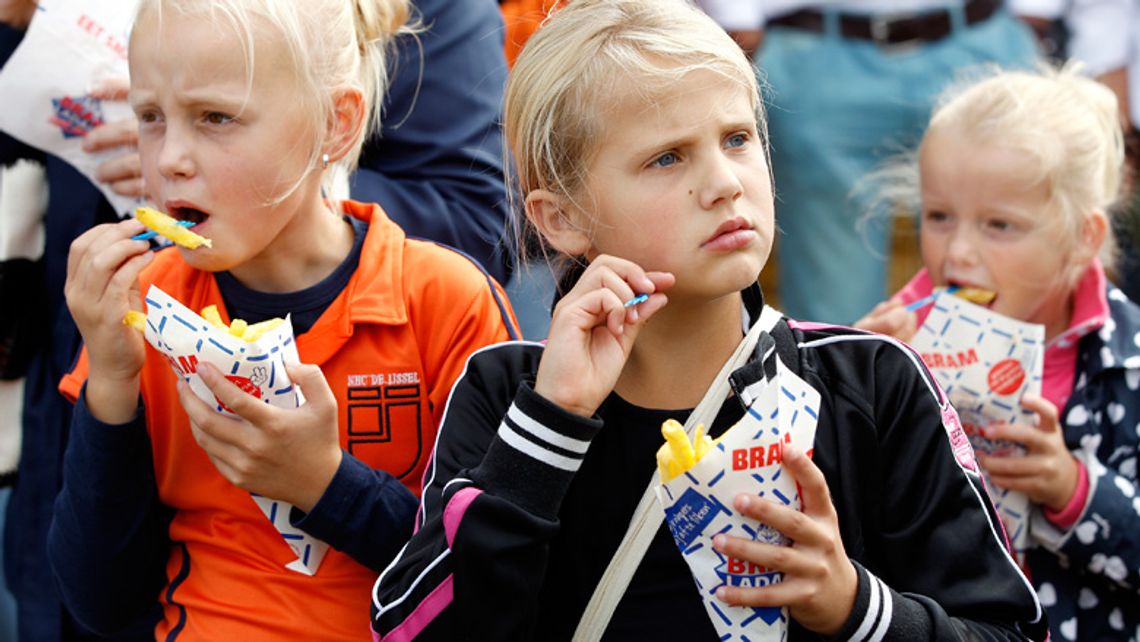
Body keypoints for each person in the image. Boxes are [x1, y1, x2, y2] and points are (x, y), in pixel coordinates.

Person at [370, 1, 1048, 640]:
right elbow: (413, 628)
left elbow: (1011, 628)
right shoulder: (505, 394)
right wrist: (552, 426)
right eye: (667, 157)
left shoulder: (873, 385)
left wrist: (856, 607)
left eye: (737, 138)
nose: (725, 182)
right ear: (562, 217)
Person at [3, 0, 514, 639]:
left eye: (216, 117)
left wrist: (325, 485)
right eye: (150, 117)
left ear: (335, 124)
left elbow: (505, 587)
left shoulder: (447, 302)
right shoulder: (144, 305)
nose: (169, 158)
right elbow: (100, 602)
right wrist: (110, 381)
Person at [855, 65, 1139, 642]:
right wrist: (856, 387)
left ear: (1082, 237)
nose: (958, 252)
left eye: (999, 225)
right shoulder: (896, 342)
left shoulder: (1127, 361)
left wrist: (1073, 490)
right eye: (939, 217)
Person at [693, 0, 1040, 325]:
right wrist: (735, 17)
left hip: (980, 37)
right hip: (816, 53)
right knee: (836, 310)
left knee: (997, 306)